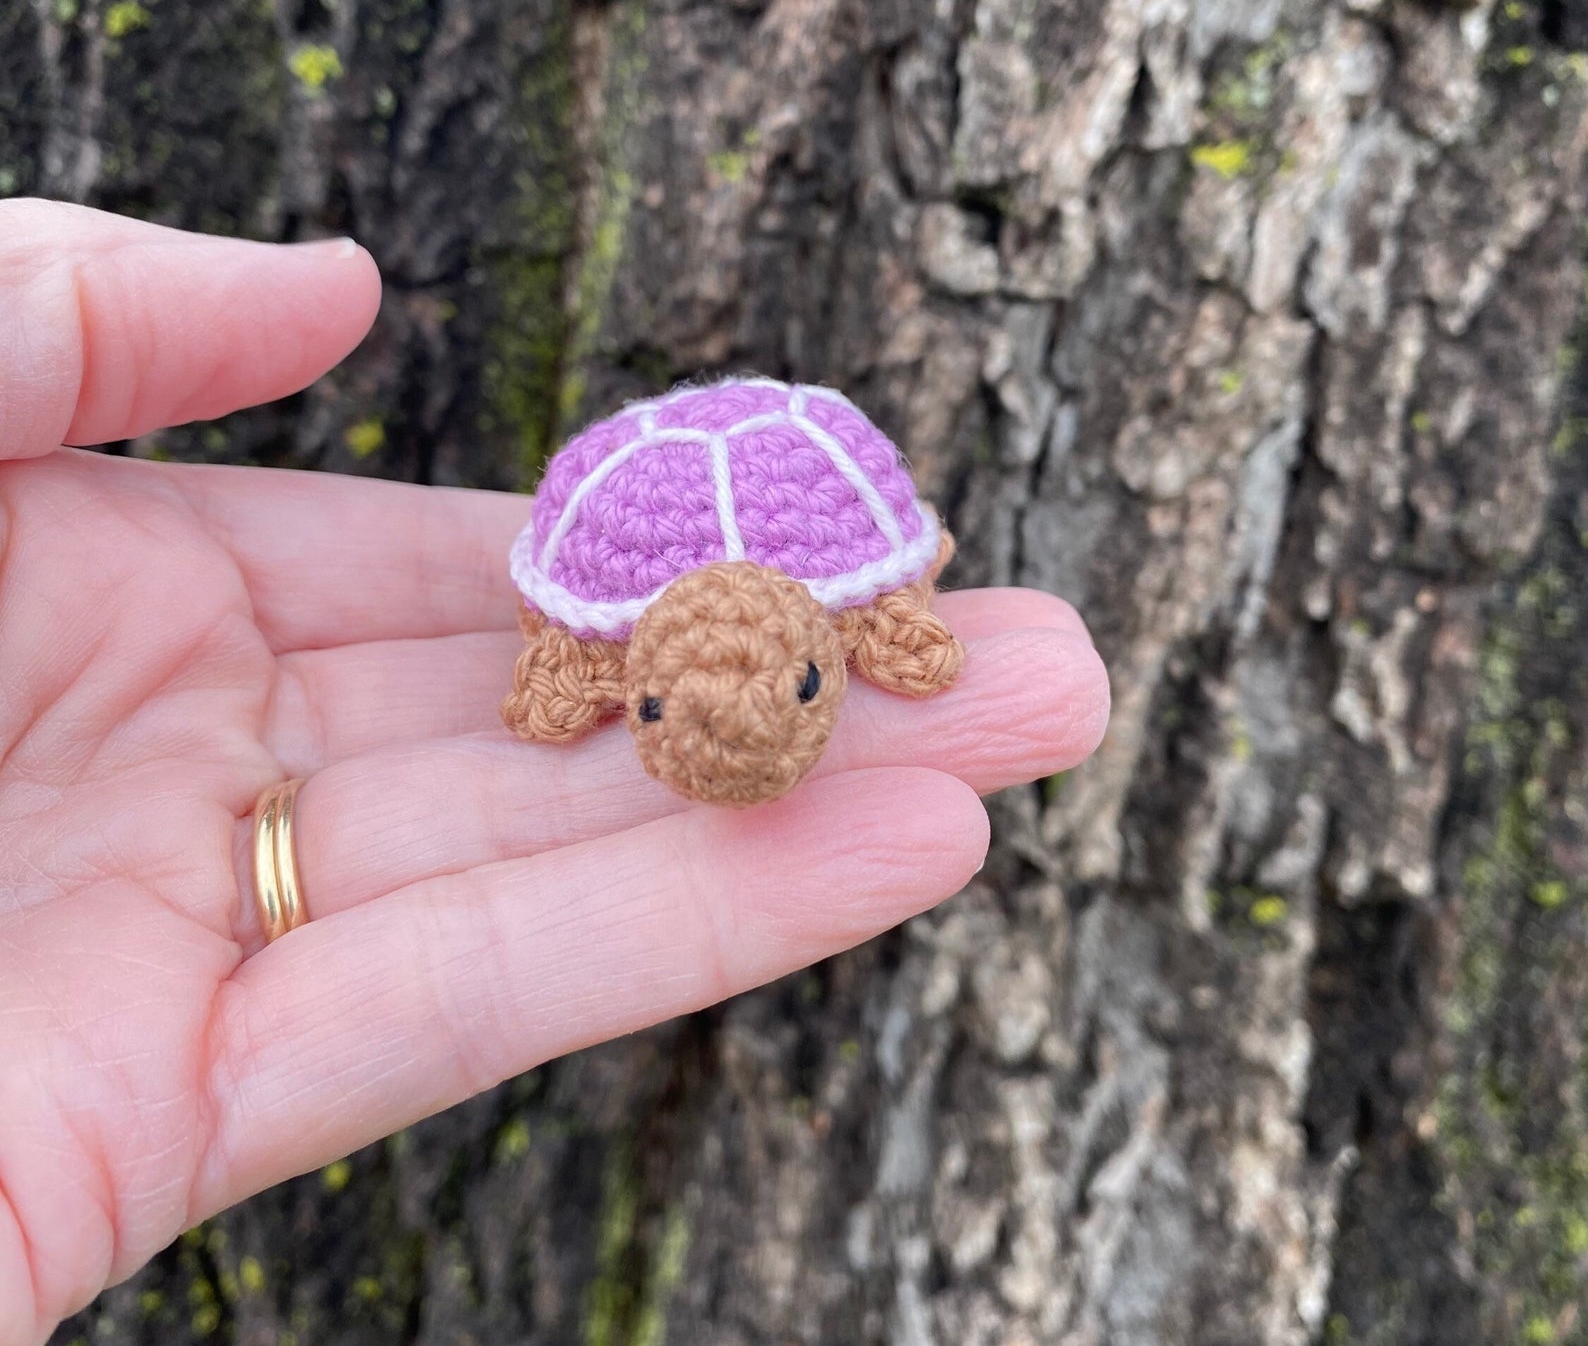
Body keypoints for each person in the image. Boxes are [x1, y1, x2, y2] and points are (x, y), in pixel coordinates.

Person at [0, 199, 1109, 1344]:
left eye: (798, 692)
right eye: (654, 705)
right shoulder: (596, 619)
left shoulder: (844, 584)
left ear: (827, 657)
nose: (731, 751)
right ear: (629, 685)